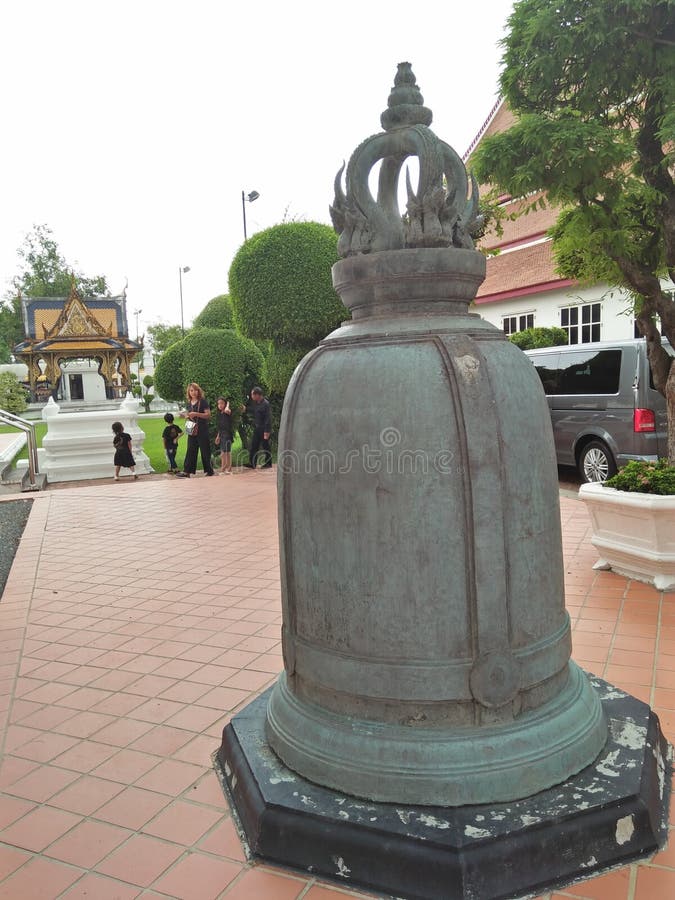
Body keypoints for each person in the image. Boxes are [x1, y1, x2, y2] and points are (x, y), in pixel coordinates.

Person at [176, 383, 214, 477]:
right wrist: (185, 415)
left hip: (202, 429)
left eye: (195, 390)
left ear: (198, 391)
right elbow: (189, 414)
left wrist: (196, 414)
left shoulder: (203, 402)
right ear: (189, 392)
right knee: (190, 449)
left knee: (205, 450)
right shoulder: (189, 403)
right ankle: (187, 471)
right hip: (191, 428)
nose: (193, 392)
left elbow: (208, 415)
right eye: (191, 390)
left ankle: (209, 470)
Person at [243, 386, 272, 469]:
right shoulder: (257, 403)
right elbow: (253, 410)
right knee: (254, 445)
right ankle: (252, 463)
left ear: (257, 395)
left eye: (252, 395)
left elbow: (268, 418)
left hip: (264, 428)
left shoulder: (265, 404)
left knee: (265, 446)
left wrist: (267, 431)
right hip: (257, 428)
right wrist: (245, 409)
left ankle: (268, 463)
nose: (251, 396)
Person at [215, 397, 234, 474]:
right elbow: (220, 427)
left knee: (226, 452)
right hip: (222, 435)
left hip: (227, 435)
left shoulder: (227, 412)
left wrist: (228, 404)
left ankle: (226, 469)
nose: (220, 405)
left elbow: (227, 410)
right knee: (224, 452)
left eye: (222, 403)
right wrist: (218, 437)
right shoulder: (220, 414)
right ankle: (226, 469)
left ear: (225, 404)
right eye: (218, 403)